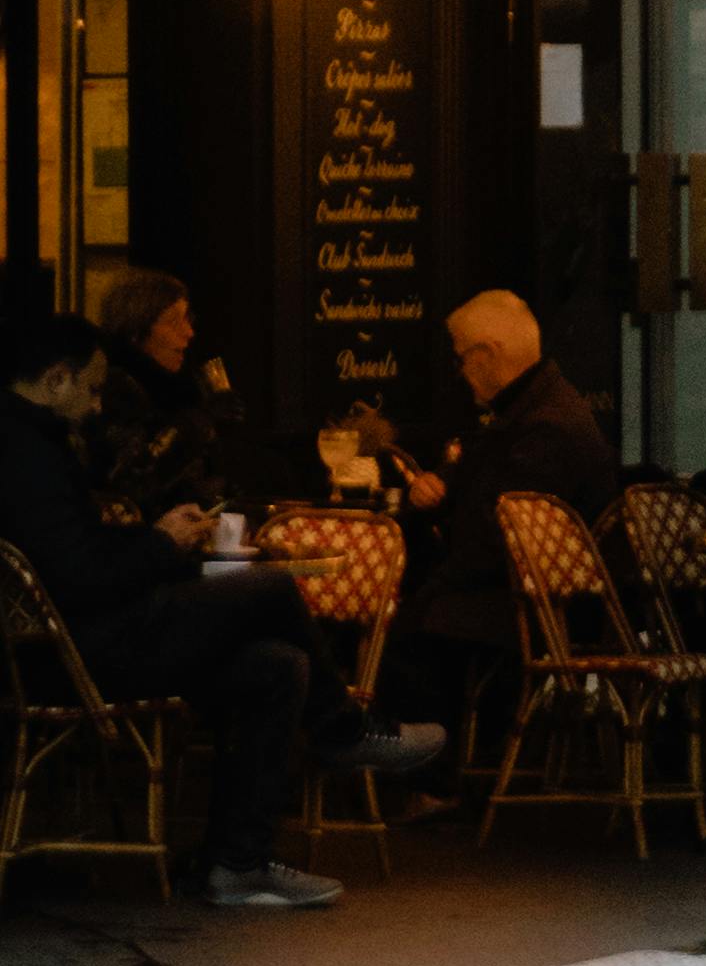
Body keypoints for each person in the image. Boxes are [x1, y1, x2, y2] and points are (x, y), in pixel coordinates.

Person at [0, 319, 442, 915]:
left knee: (277, 666)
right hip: (84, 651)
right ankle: (343, 731)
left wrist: (147, 540)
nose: (97, 404)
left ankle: (237, 864)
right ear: (56, 380)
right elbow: (81, 578)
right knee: (270, 589)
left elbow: (73, 558)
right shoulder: (27, 454)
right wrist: (160, 544)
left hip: (77, 642)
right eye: (92, 389)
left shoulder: (33, 443)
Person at [389, 291, 628, 736]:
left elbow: (492, 543)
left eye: (462, 358)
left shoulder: (542, 429)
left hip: (547, 609)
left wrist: (425, 594)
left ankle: (428, 777)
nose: (460, 372)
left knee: (410, 626)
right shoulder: (538, 407)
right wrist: (444, 484)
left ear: (489, 354)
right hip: (541, 598)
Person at [83, 261, 238, 529]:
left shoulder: (178, 386)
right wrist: (198, 421)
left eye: (187, 319)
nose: (188, 333)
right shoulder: (115, 388)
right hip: (143, 541)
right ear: (135, 330)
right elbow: (134, 480)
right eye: (172, 321)